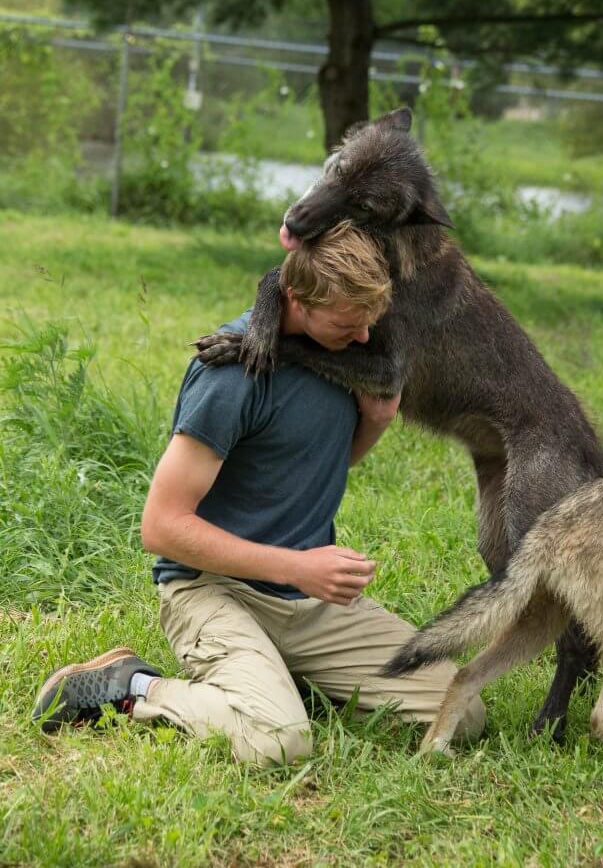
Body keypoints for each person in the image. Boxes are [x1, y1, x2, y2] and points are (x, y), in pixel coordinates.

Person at [33, 221, 484, 763]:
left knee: (463, 711)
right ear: (295, 297)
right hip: (214, 592)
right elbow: (161, 526)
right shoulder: (233, 375)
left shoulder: (345, 355)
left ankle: (274, 679)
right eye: (348, 324)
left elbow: (307, 465)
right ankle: (130, 688)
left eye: (369, 324)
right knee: (279, 742)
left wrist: (376, 420)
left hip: (305, 605)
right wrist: (295, 567)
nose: (364, 339)